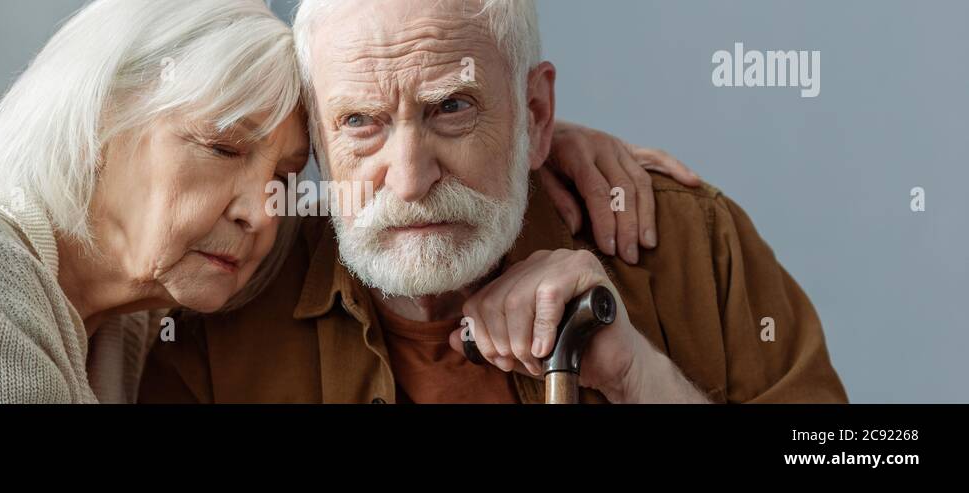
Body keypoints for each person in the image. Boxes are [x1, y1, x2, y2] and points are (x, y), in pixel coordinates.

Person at [0, 0, 695, 404]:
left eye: (284, 173)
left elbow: (389, 135)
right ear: (98, 121)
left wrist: (532, 146)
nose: (262, 212)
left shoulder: (117, 304)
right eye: (222, 148)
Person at [138, 0, 847, 404]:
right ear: (317, 139)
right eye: (361, 122)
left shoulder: (684, 238)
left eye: (451, 108)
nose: (409, 179)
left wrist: (641, 378)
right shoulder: (216, 315)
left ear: (536, 114)